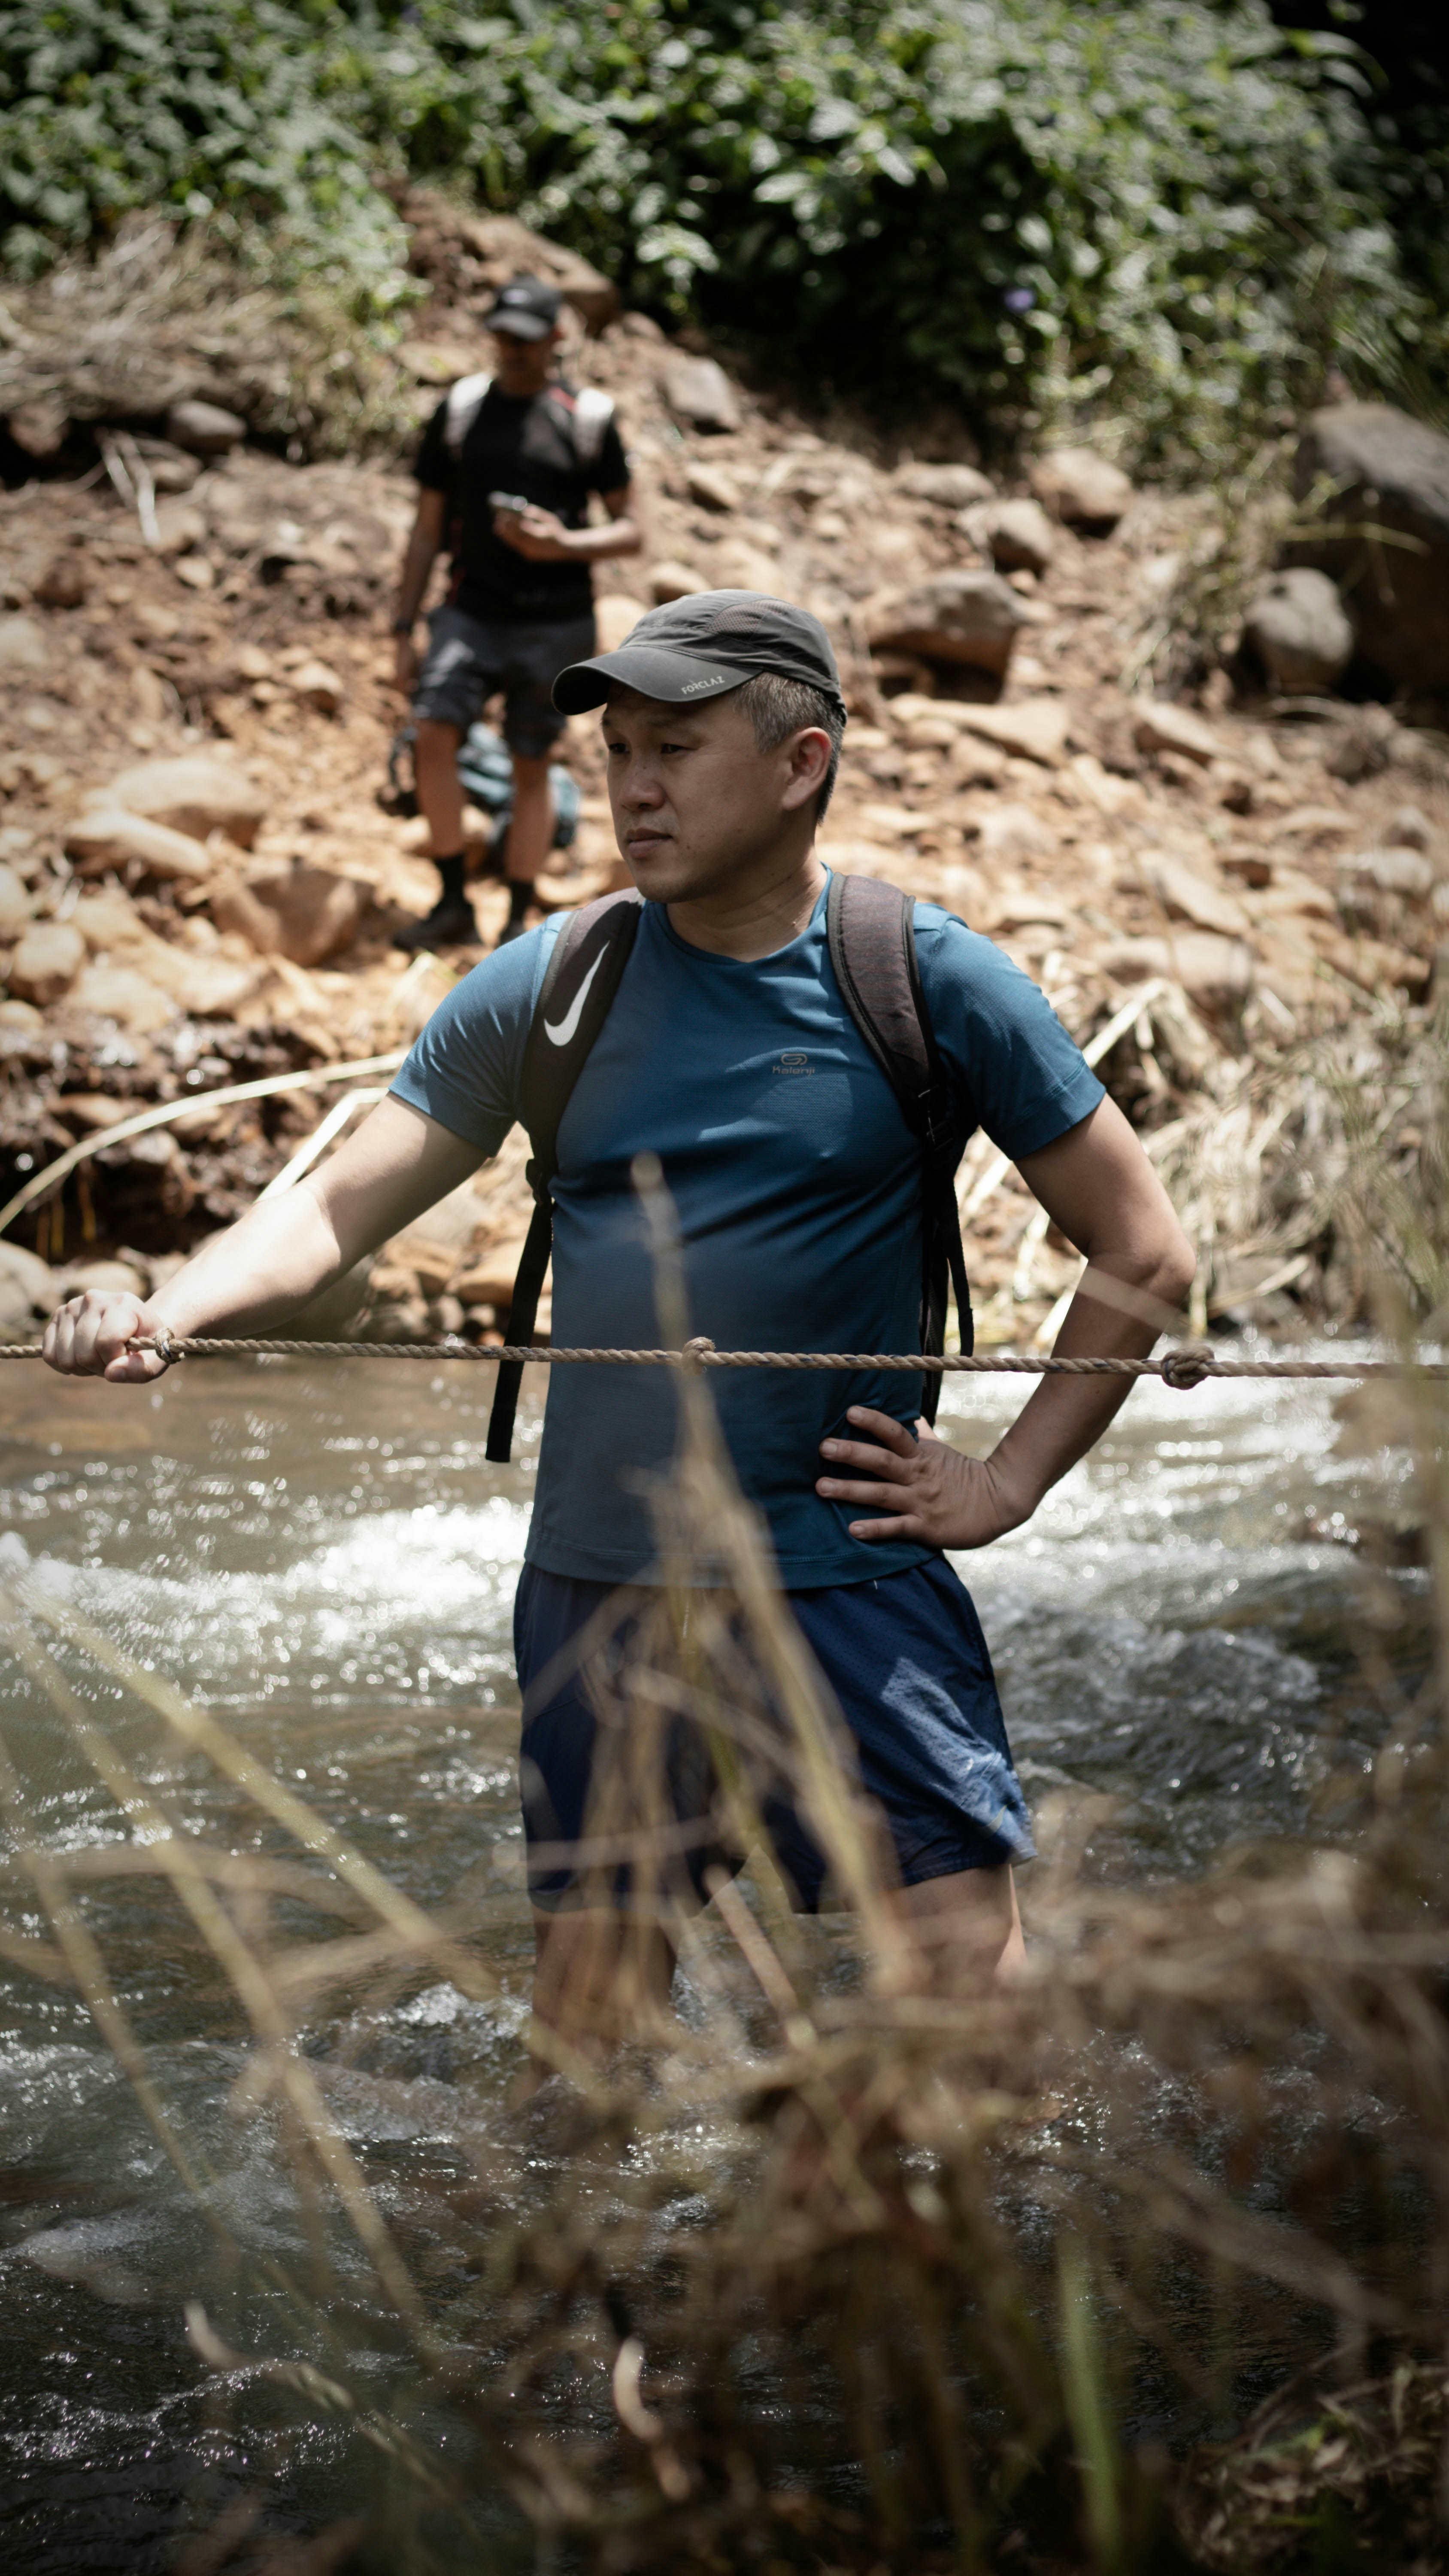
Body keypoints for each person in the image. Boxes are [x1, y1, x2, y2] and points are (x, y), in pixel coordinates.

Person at [43, 592, 1194, 2051]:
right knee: (588, 2060)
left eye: (676, 747)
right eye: (616, 749)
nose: (633, 784)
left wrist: (1008, 1480)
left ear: (800, 763)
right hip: (595, 1598)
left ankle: (985, 2275)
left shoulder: (923, 978)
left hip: (841, 1581)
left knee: (973, 2016)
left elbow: (1140, 1244)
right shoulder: (555, 984)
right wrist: (169, 1306)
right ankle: (596, 2287)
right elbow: (335, 1208)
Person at [391, 273, 642, 951]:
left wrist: (562, 544)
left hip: (556, 621)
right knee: (432, 732)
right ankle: (451, 902)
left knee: (532, 763)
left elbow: (633, 530)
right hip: (468, 611)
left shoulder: (587, 417)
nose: (512, 350)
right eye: (502, 336)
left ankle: (518, 917)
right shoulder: (464, 409)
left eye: (527, 339)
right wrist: (401, 628)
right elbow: (425, 529)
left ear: (557, 339)